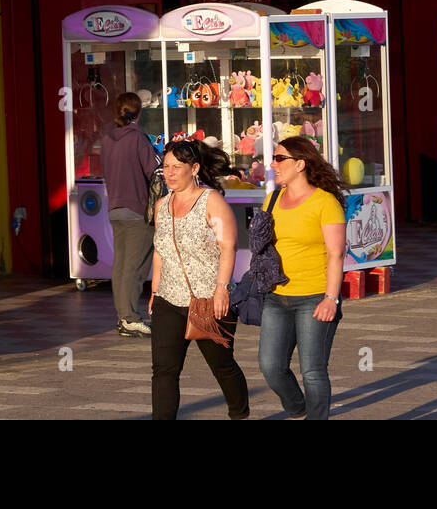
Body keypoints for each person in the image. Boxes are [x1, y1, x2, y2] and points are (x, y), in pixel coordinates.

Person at [149, 139, 249, 420]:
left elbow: (229, 247)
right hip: (168, 300)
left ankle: (239, 413)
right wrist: (155, 290)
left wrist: (222, 290)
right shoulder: (161, 205)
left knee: (222, 365)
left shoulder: (211, 201)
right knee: (164, 371)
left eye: (176, 167)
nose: (169, 173)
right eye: (165, 167)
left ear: (193, 168)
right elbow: (160, 249)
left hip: (207, 301)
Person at [258, 134, 347, 420]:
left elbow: (336, 255)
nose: (272, 164)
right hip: (276, 297)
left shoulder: (325, 203)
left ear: (300, 164)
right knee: (271, 367)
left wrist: (330, 298)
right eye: (273, 158)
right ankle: (298, 410)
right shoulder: (272, 200)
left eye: (279, 158)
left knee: (312, 370)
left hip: (314, 297)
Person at [101, 92, 157, 338]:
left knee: (121, 266)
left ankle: (123, 317)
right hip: (137, 208)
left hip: (115, 208)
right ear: (139, 111)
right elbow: (154, 171)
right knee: (135, 268)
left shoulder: (107, 138)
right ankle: (131, 318)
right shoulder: (137, 137)